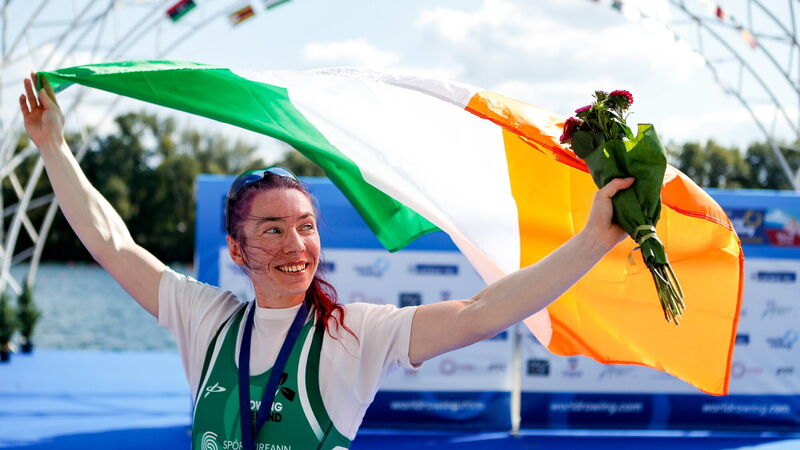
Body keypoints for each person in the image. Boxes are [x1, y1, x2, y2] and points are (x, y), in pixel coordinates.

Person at [19, 73, 635, 449]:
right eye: (273, 229)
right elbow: (112, 243)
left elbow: (479, 313)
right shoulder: (204, 319)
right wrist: (54, 146)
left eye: (306, 227)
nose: (295, 245)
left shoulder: (353, 334)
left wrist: (592, 242)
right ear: (236, 250)